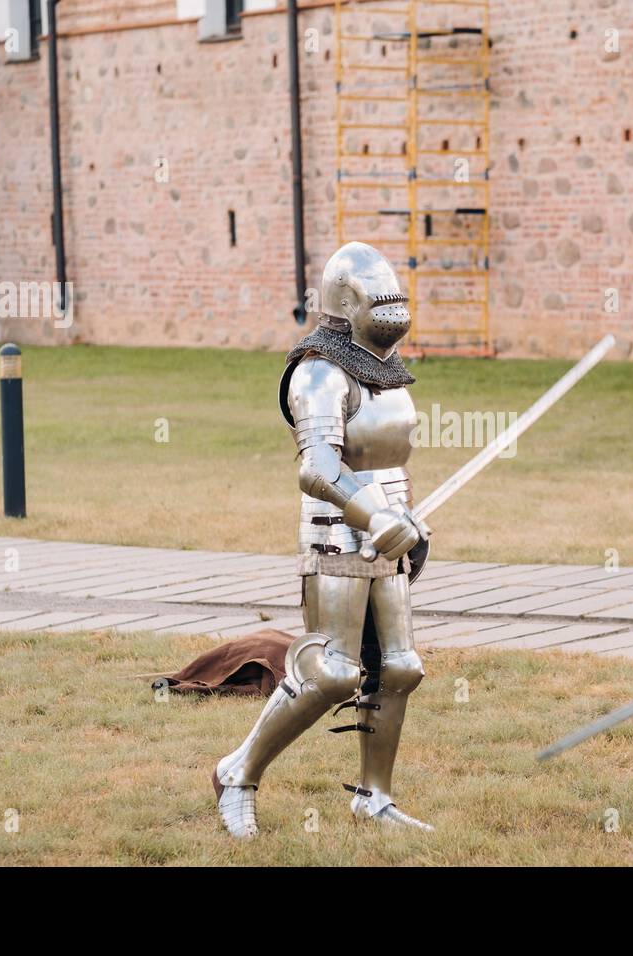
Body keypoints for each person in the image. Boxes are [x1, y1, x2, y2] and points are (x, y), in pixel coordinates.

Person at [213, 241, 433, 838]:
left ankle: (374, 797)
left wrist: (409, 519)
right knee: (333, 672)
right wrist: (373, 515)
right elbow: (317, 467)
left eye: (397, 300)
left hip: (387, 536)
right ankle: (237, 772)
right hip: (336, 536)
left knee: (400, 668)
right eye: (379, 300)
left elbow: (390, 462)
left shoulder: (385, 371)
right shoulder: (317, 371)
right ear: (346, 301)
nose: (393, 312)